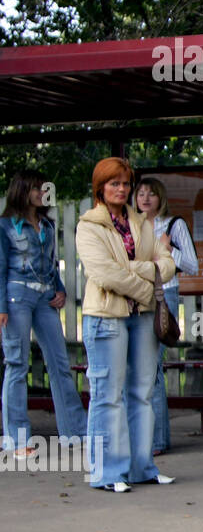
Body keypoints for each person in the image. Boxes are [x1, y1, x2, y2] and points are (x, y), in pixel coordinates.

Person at [76, 157, 176, 491]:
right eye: (114, 183)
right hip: (106, 318)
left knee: (142, 392)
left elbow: (167, 264)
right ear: (100, 188)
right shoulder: (89, 226)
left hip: (142, 319)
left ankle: (141, 467)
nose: (121, 189)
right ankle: (108, 473)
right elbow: (104, 273)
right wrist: (147, 284)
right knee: (108, 395)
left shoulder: (142, 222)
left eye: (125, 183)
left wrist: (142, 271)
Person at [0, 170, 87, 456]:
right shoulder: (5, 226)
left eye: (43, 189)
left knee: (60, 363)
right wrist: (1, 307)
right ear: (22, 190)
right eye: (36, 189)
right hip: (16, 296)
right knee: (16, 364)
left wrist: (59, 288)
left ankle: (75, 432)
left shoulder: (47, 225)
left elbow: (52, 262)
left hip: (45, 296)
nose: (41, 193)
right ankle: (16, 439)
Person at [135, 177, 198, 457]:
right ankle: (141, 434)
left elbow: (192, 265)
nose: (145, 198)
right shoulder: (131, 226)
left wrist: (169, 248)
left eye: (151, 193)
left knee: (154, 368)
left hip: (164, 296)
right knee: (139, 367)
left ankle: (158, 439)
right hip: (135, 296)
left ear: (161, 197)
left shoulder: (174, 225)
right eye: (140, 193)